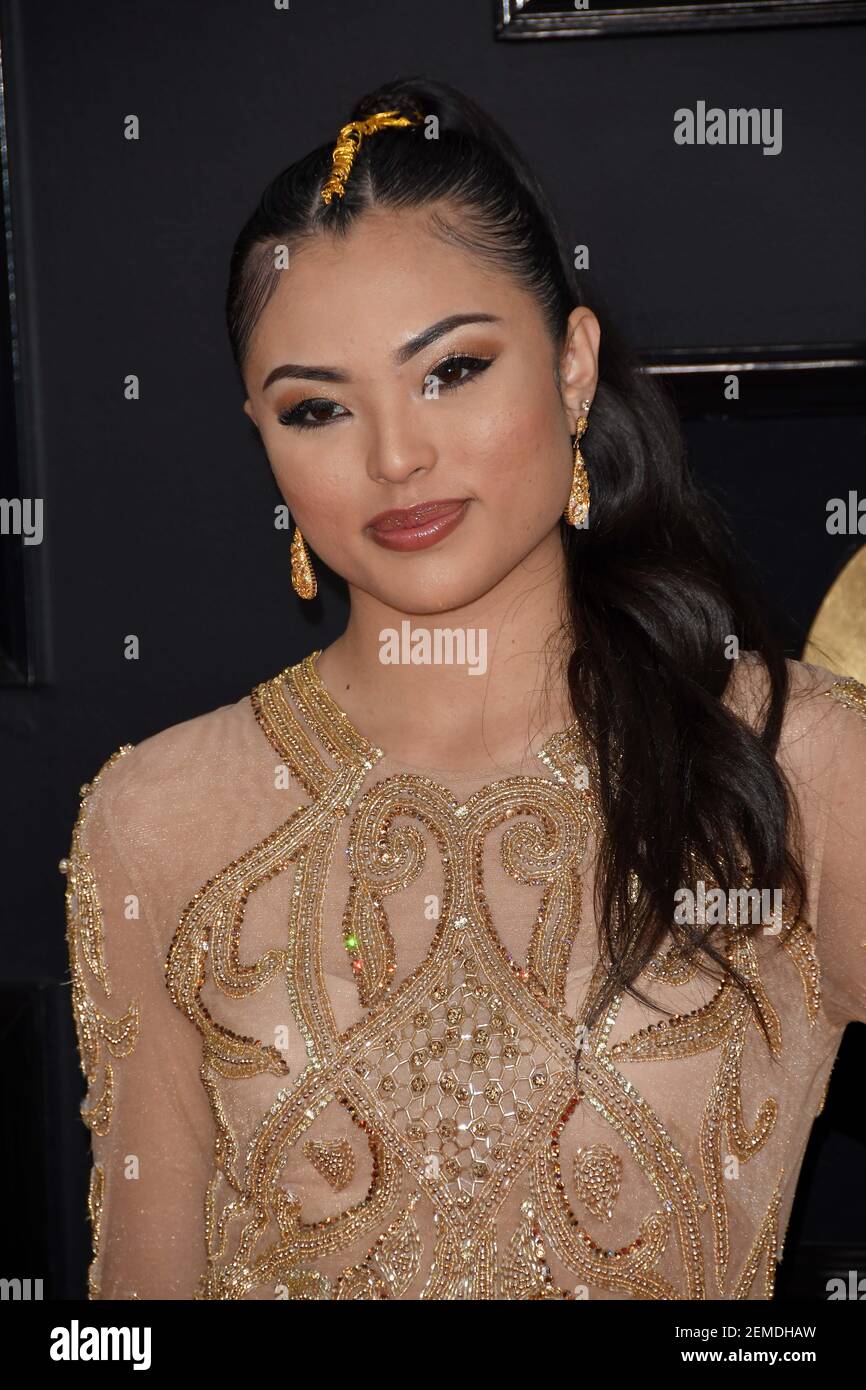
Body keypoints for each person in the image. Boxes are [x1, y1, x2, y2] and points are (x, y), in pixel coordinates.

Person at [61, 76, 866, 1301]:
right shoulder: (159, 817)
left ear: (573, 364)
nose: (395, 456)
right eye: (317, 407)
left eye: (450, 371)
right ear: (262, 441)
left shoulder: (792, 761)